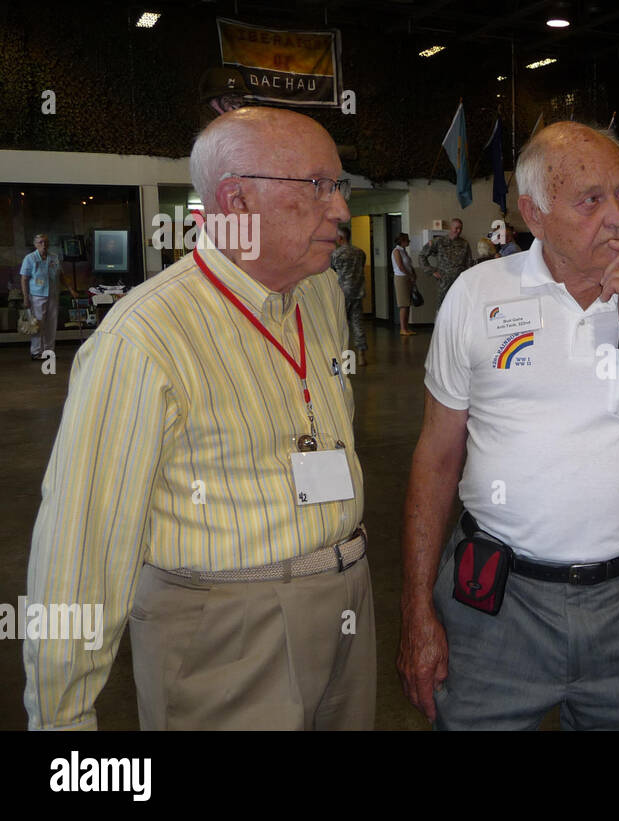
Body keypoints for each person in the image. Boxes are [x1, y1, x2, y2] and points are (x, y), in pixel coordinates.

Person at [25, 107, 374, 730]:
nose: (341, 209)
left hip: (349, 601)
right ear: (236, 200)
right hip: (229, 632)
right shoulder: (145, 335)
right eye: (318, 186)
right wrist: (62, 718)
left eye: (339, 186)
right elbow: (84, 536)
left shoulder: (317, 292)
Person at [398, 122, 619, 730]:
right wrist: (417, 608)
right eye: (591, 200)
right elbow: (437, 456)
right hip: (494, 606)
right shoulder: (478, 296)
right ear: (534, 213)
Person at [19, 233, 64, 360]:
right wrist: (25, 297)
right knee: (38, 324)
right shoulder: (30, 258)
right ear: (35, 244)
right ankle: (36, 351)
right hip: (37, 296)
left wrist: (71, 289)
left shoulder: (54, 257)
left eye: (45, 242)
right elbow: (24, 279)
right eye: (40, 242)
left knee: (52, 323)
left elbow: (61, 275)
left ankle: (49, 350)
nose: (43, 245)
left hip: (53, 294)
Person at [419, 217, 473, 310]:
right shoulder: (439, 241)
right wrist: (431, 271)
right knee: (442, 308)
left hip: (459, 282)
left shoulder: (464, 244)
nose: (458, 231)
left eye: (460, 228)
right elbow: (422, 255)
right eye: (456, 228)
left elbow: (469, 263)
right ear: (451, 228)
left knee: (459, 308)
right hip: (444, 282)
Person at [332, 224, 368, 366]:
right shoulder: (360, 252)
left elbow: (331, 271)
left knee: (341, 324)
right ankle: (361, 355)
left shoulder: (336, 254)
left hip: (342, 293)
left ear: (340, 238)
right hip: (357, 292)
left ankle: (343, 356)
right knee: (357, 323)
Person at [392, 232, 417, 335]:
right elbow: (401, 266)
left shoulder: (404, 251)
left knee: (407, 304)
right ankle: (403, 329)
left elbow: (408, 265)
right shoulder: (396, 251)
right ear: (402, 241)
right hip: (401, 278)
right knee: (403, 304)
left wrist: (413, 273)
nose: (409, 241)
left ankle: (406, 328)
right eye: (407, 240)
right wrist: (410, 275)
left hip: (407, 278)